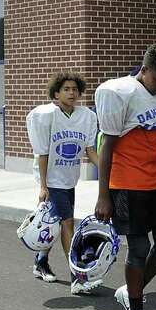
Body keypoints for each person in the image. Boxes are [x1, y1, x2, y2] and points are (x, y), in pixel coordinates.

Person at [94, 43, 156, 310]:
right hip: (126, 184)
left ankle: (131, 290)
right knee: (140, 248)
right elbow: (107, 146)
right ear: (143, 70)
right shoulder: (120, 92)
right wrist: (103, 194)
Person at [25, 72, 99, 294]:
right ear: (56, 93)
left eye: (75, 89)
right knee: (67, 223)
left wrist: (107, 172)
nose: (72, 93)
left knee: (55, 226)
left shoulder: (85, 116)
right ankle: (78, 277)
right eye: (66, 89)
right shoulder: (46, 116)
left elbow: (90, 150)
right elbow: (42, 153)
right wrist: (43, 186)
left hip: (69, 179)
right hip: (52, 180)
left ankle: (41, 262)